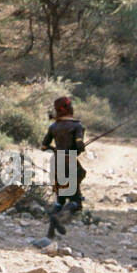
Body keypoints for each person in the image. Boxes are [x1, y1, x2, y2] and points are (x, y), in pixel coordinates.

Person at [42, 96, 87, 238]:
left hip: (56, 163)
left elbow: (44, 146)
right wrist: (80, 147)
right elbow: (79, 146)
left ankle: (50, 233)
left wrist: (55, 150)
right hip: (70, 163)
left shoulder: (53, 126)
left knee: (60, 200)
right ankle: (60, 218)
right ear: (69, 108)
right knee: (76, 201)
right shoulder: (76, 126)